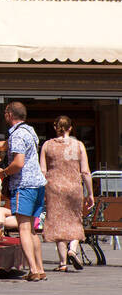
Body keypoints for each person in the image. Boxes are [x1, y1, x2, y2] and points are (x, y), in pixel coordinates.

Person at [0, 102, 47, 281]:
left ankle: (32, 269)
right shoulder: (29, 131)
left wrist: (3, 172)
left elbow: (18, 163)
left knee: (23, 228)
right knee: (31, 229)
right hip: (38, 184)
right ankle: (39, 268)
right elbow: (4, 146)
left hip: (23, 185)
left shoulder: (17, 134)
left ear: (9, 114)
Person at [39, 116, 94, 272]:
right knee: (75, 219)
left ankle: (63, 263)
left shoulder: (47, 145)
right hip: (73, 187)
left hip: (54, 187)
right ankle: (73, 248)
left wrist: (43, 190)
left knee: (57, 222)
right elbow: (85, 171)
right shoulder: (78, 145)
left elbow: (43, 170)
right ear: (70, 127)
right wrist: (90, 193)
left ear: (55, 127)